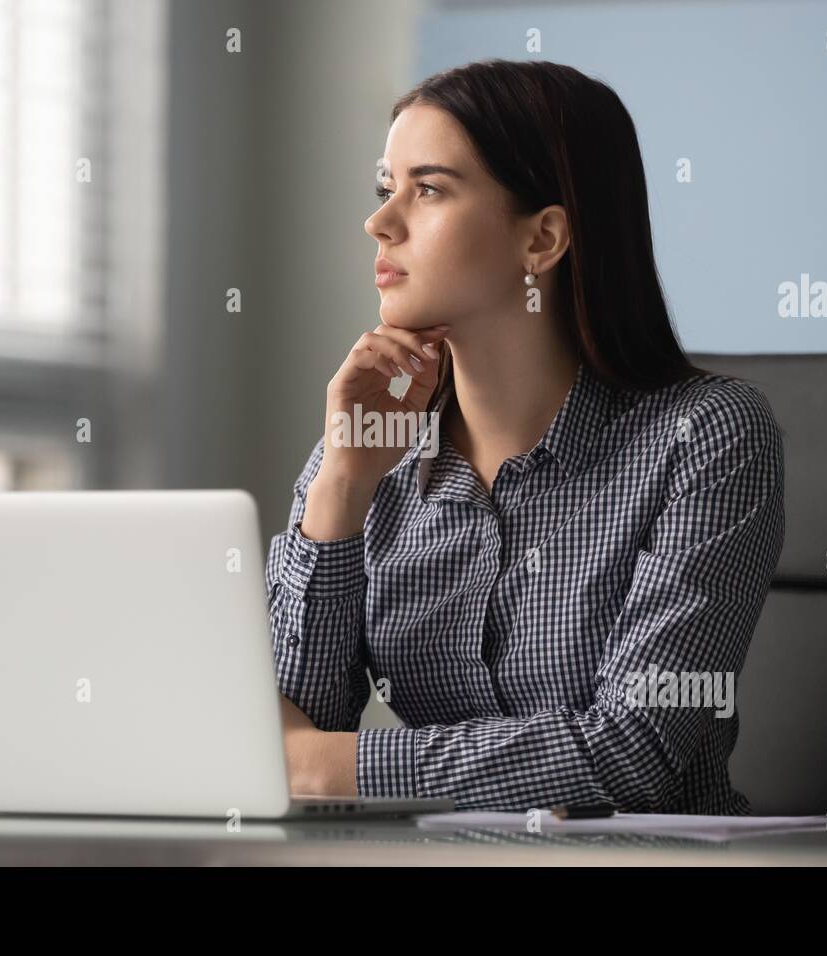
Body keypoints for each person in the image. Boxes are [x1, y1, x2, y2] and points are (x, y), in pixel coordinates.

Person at [268, 58, 785, 814]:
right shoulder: (363, 452)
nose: (380, 222)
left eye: (430, 189)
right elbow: (286, 736)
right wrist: (342, 487)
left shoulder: (705, 438)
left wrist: (322, 768)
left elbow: (631, 755)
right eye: (387, 188)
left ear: (542, 239)